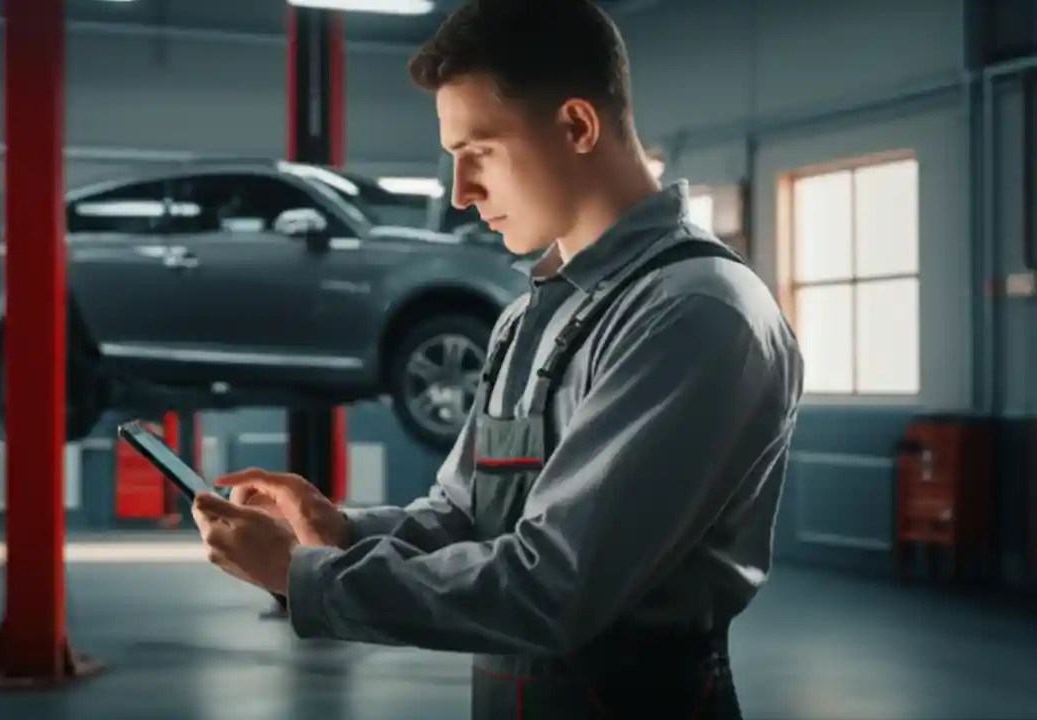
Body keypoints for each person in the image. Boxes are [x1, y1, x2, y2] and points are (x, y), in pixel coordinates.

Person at [190, 0, 804, 717]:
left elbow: (552, 587)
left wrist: (311, 580)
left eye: (478, 153)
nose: (460, 193)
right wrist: (343, 531)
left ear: (577, 125)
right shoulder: (528, 316)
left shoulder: (696, 313)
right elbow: (465, 515)